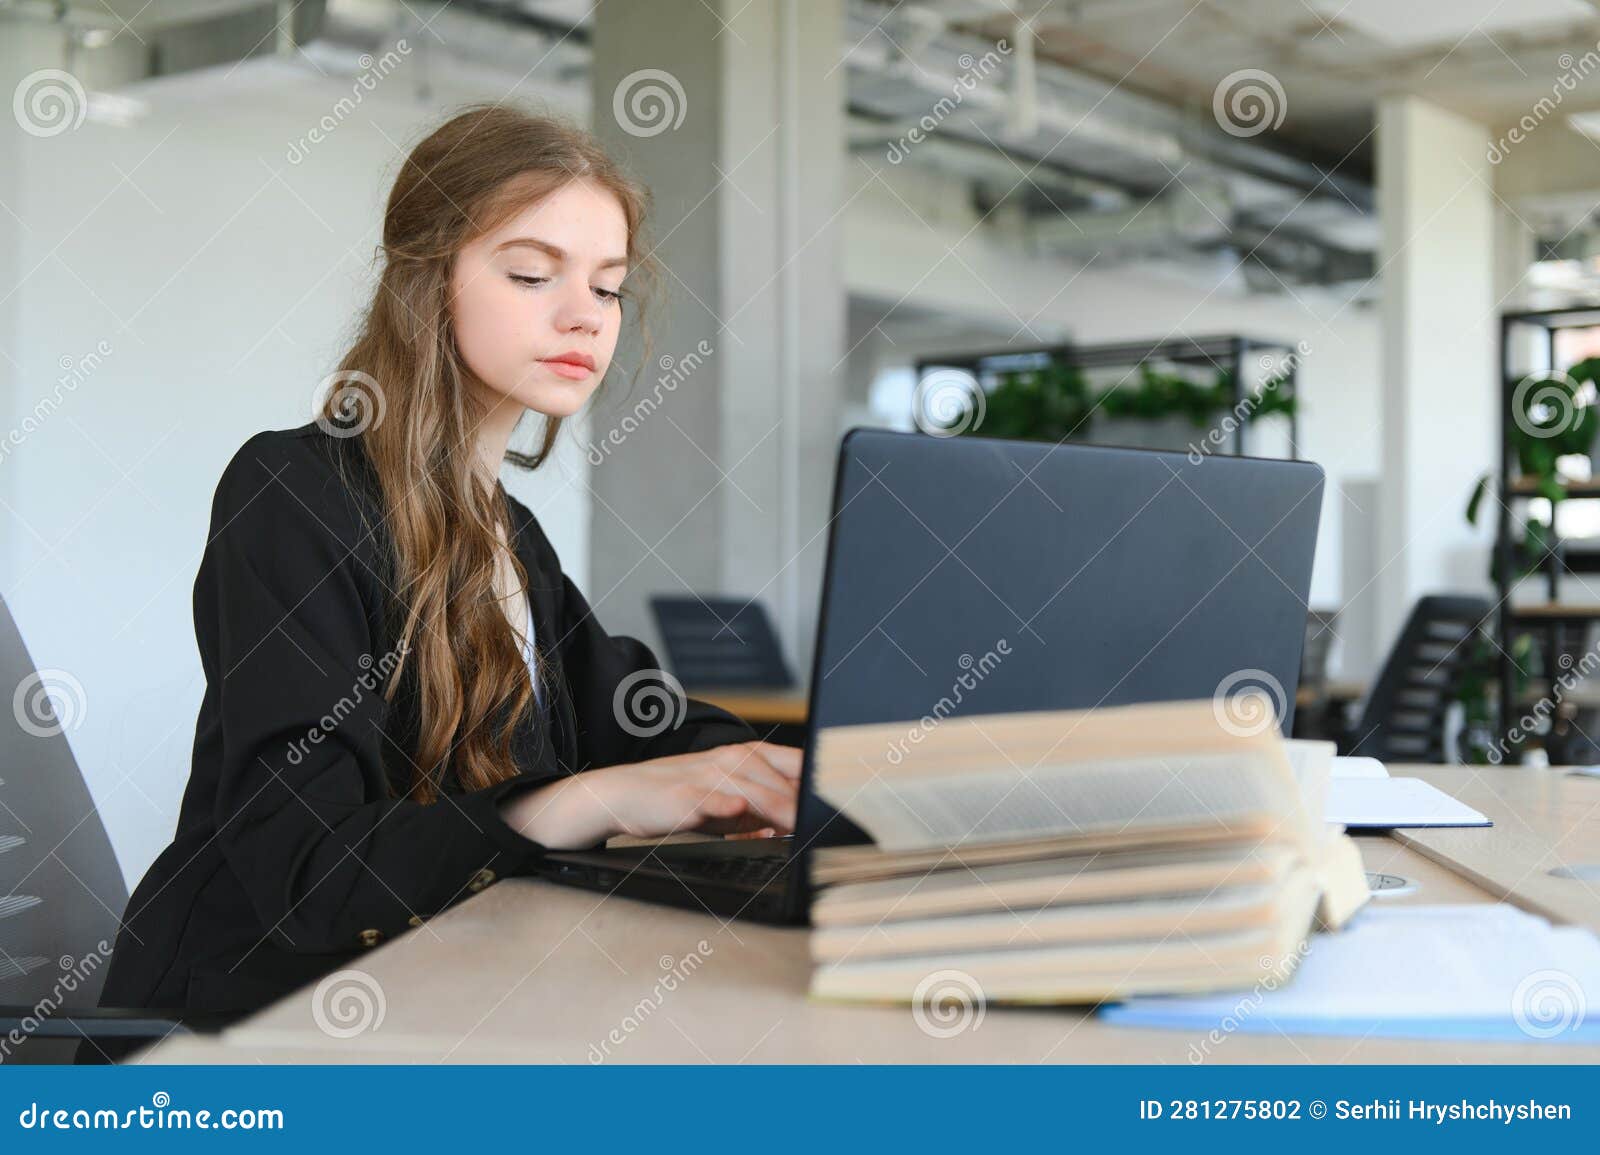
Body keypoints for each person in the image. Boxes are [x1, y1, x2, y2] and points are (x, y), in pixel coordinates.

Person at [80, 105, 799, 1062]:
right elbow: (311, 871)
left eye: (610, 286)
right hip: (236, 1037)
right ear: (427, 282)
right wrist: (585, 800)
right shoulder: (293, 493)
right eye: (533, 273)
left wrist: (849, 766)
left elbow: (655, 727)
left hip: (438, 1010)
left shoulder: (513, 539)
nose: (585, 312)